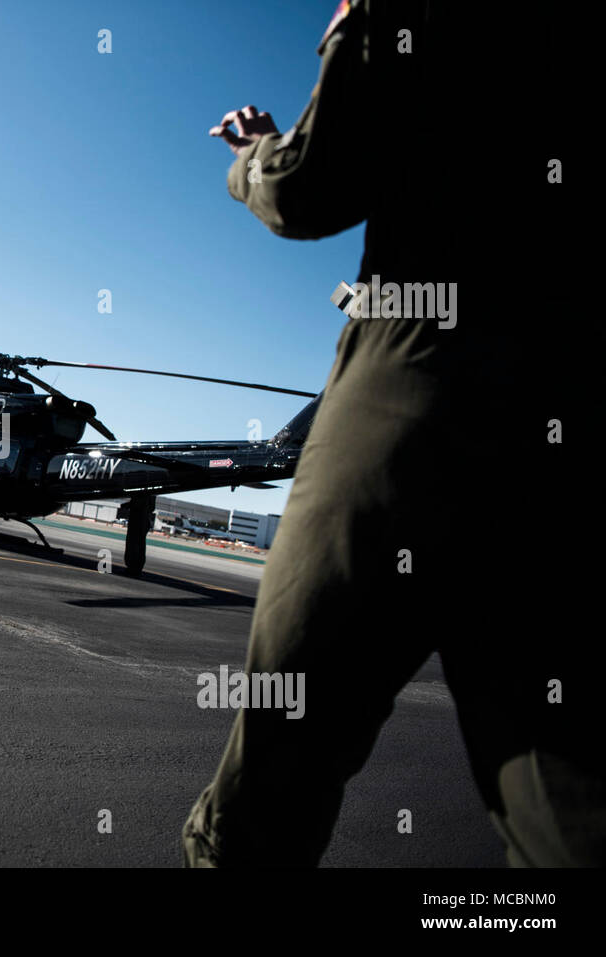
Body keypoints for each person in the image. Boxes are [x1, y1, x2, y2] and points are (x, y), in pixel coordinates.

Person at [185, 1, 601, 866]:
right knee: (564, 806)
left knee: (274, 776)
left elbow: (308, 186)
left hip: (414, 408)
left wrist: (251, 155)